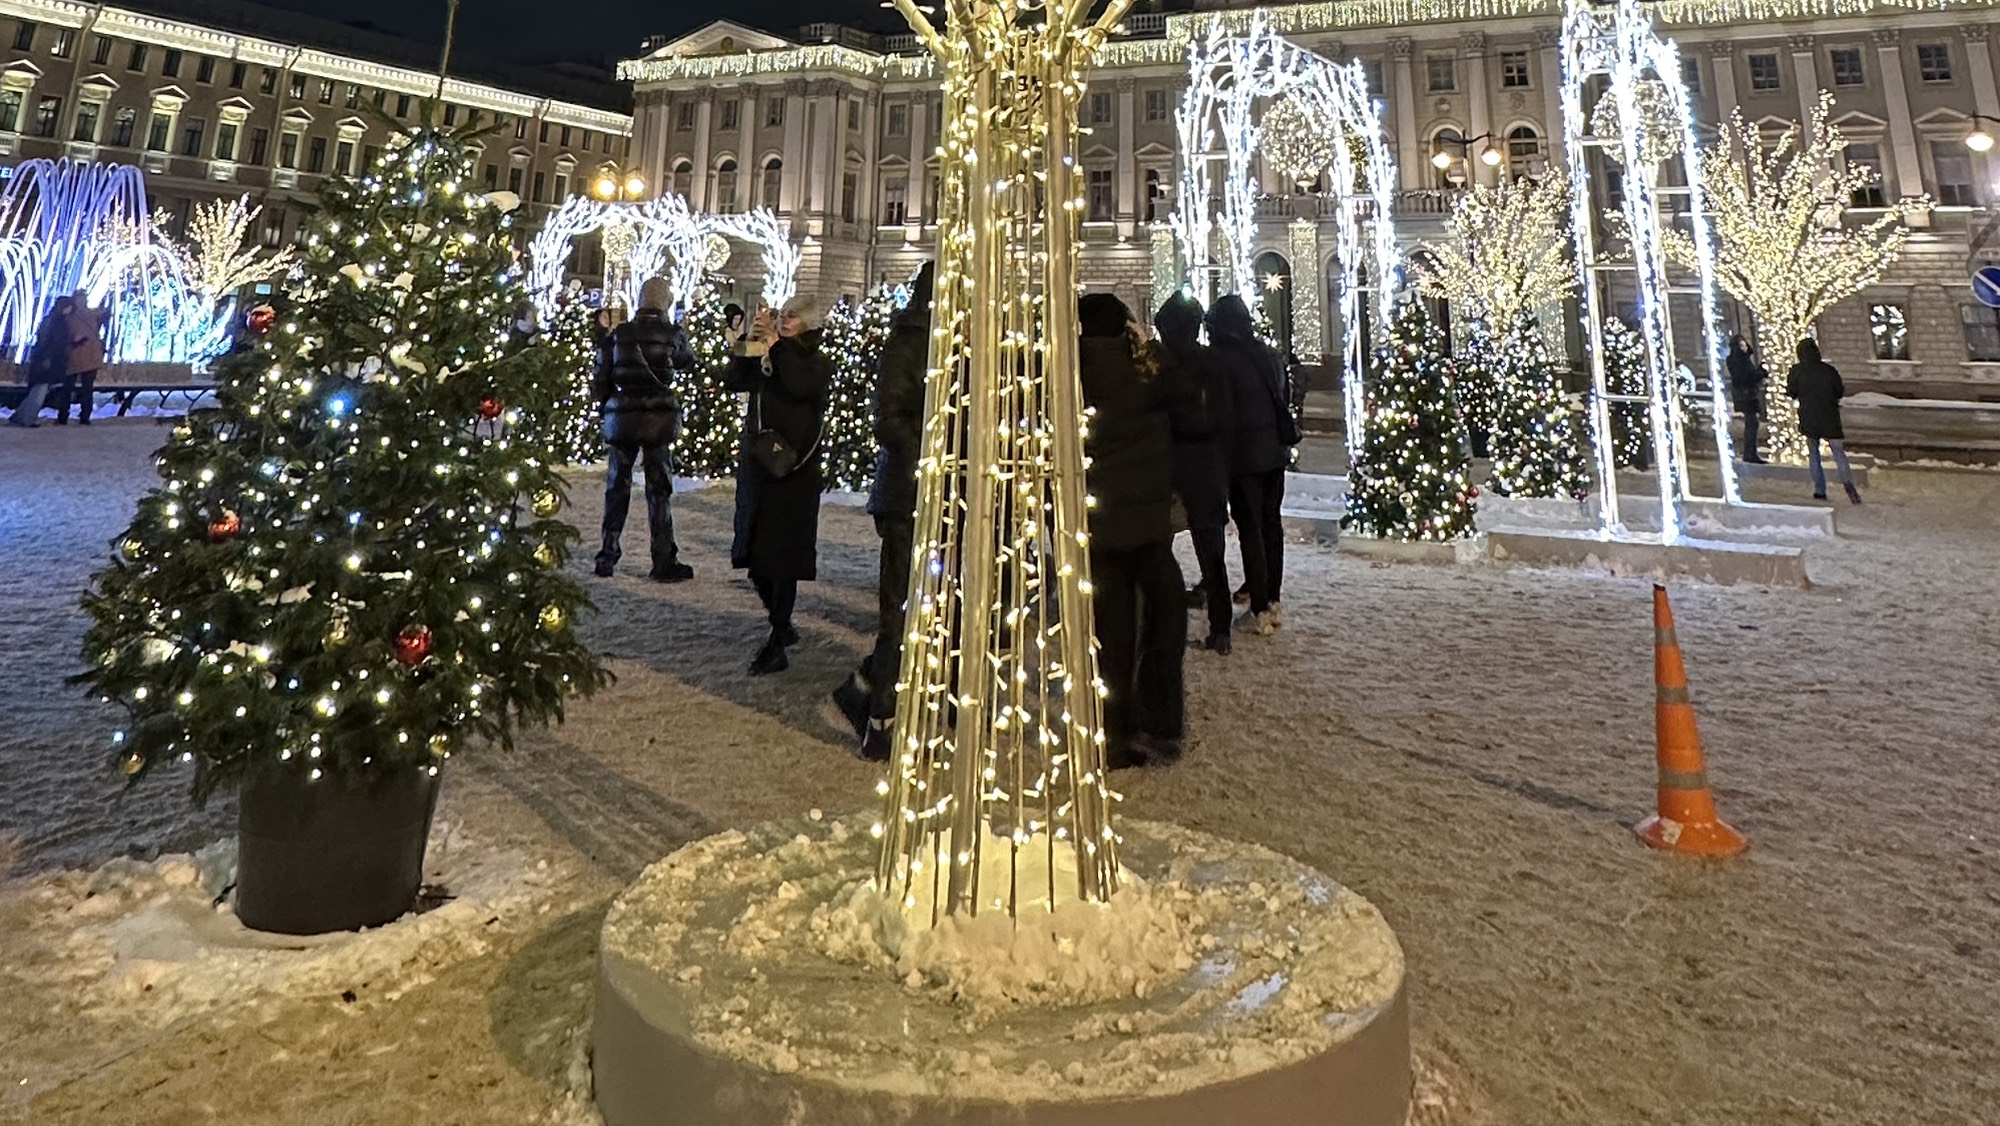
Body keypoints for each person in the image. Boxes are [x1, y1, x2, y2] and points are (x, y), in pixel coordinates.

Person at [1078, 293, 1190, 768]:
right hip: (1146, 523)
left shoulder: (1070, 372)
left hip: (1098, 520)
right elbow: (1184, 398)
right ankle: (1160, 719)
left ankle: (1112, 733)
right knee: (1166, 615)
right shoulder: (1147, 369)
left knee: (1112, 631)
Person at [834, 263, 933, 759]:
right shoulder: (910, 342)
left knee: (932, 608)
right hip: (908, 496)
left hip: (941, 495)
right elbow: (889, 420)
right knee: (900, 610)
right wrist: (933, 460)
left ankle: (866, 687)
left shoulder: (955, 344)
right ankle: (879, 721)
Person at [730, 296, 833, 676]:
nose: (785, 321)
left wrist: (776, 348)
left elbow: (800, 384)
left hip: (794, 471)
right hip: (760, 463)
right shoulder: (770, 350)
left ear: (809, 323)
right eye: (782, 315)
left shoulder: (814, 359)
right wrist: (748, 343)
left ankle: (777, 636)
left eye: (793, 317)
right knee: (755, 557)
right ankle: (781, 621)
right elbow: (735, 382)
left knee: (782, 558)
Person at [592, 276, 697, 581]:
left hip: (622, 417)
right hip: (657, 419)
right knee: (658, 490)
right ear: (664, 301)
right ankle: (663, 559)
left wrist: (608, 406)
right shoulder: (671, 333)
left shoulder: (619, 334)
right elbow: (686, 362)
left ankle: (607, 554)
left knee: (617, 486)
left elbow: (602, 375)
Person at [1205, 293, 1296, 635]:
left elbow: (1219, 411)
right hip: (1274, 452)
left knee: (1251, 530)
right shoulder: (1269, 355)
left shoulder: (1220, 360)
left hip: (1242, 457)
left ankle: (1258, 605)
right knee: (1272, 525)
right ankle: (1271, 597)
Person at [1153, 290, 1236, 655]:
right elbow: (1229, 416)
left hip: (1171, 467)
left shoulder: (1162, 367)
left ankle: (1163, 624)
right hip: (1209, 467)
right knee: (1212, 555)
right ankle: (1220, 629)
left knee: (1158, 551)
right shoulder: (1215, 363)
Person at [1785, 338, 1861, 504]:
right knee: (1839, 453)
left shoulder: (1797, 371)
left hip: (1809, 416)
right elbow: (1839, 391)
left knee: (1813, 454)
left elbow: (1791, 391)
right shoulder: (1828, 370)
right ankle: (1849, 486)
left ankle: (1820, 490)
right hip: (1829, 416)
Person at [8, 297, 73, 428]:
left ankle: (20, 416)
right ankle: (28, 419)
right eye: (69, 306)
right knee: (39, 392)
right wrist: (48, 359)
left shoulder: (53, 320)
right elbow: (50, 342)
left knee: (38, 390)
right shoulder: (57, 322)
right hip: (47, 361)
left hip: (46, 360)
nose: (71, 309)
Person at [53, 293, 105, 425]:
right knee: (70, 387)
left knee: (85, 388)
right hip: (76, 355)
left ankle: (82, 416)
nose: (82, 302)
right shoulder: (70, 316)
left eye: (84, 299)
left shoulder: (88, 316)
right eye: (80, 299)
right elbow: (62, 334)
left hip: (88, 356)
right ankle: (65, 415)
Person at [1726, 334, 1768, 464]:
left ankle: (1750, 452)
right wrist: (1761, 372)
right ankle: (1750, 453)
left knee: (1751, 423)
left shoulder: (1738, 359)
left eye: (1745, 345)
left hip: (1745, 394)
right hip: (1747, 395)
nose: (1744, 348)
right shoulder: (1740, 360)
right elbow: (1746, 377)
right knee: (1752, 424)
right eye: (1741, 346)